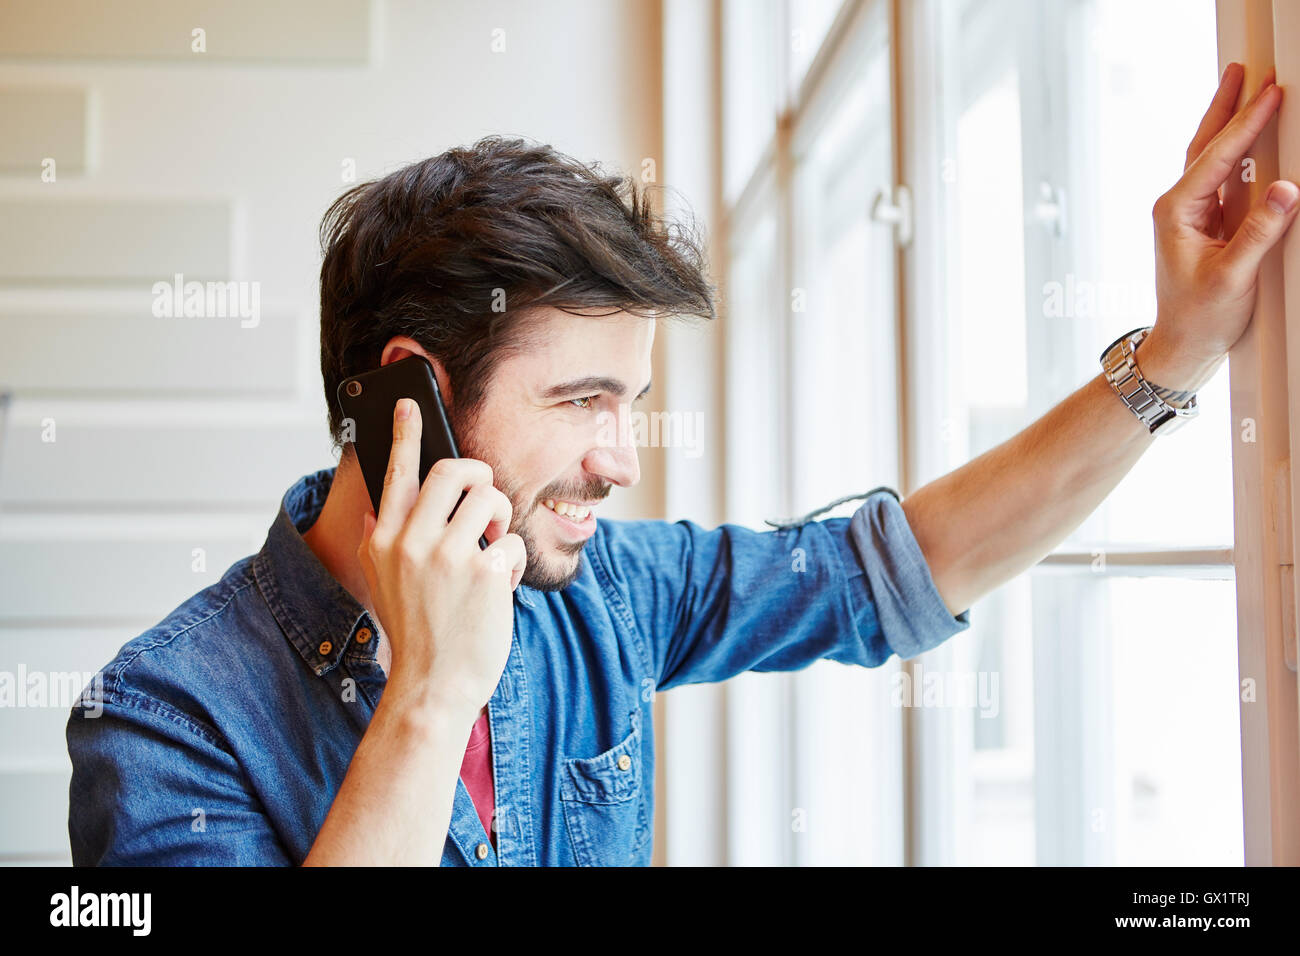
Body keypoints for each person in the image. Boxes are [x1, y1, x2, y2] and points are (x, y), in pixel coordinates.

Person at [66, 63, 1297, 865]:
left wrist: (1175, 358)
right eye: (584, 399)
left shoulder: (599, 591)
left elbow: (894, 571)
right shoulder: (166, 717)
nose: (620, 461)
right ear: (414, 395)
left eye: (634, 402)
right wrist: (430, 697)